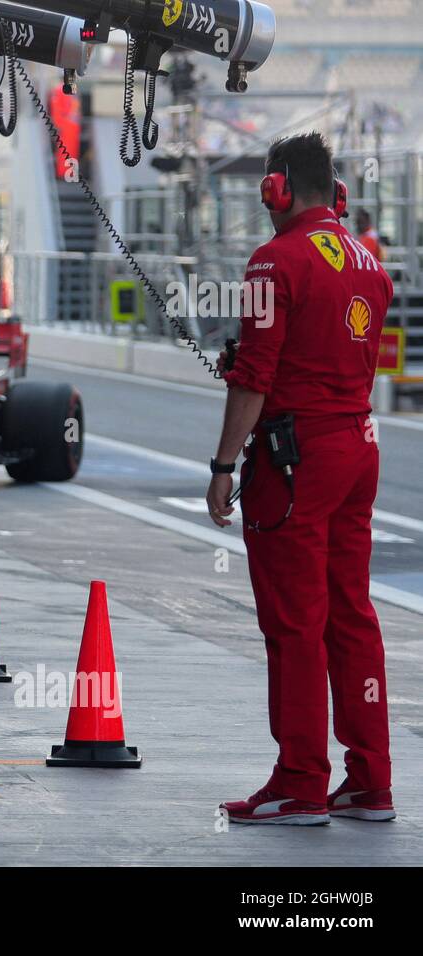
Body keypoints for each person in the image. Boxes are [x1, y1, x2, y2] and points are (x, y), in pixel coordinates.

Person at [207, 132, 395, 825]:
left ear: (277, 188)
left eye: (266, 188)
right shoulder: (370, 263)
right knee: (352, 616)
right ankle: (370, 780)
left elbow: (254, 378)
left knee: (294, 623)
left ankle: (299, 783)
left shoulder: (272, 262)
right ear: (336, 194)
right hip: (358, 446)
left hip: (297, 459)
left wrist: (225, 465)